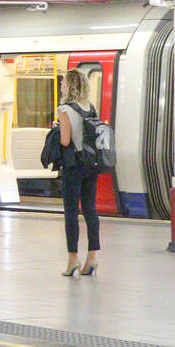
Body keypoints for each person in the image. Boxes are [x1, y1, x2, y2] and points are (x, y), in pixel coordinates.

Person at [56, 70, 100, 276]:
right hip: (91, 165)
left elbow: (65, 140)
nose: (61, 85)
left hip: (73, 167)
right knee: (90, 209)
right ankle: (92, 258)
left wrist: (56, 129)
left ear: (70, 86)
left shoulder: (64, 109)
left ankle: (73, 258)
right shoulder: (90, 108)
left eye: (63, 82)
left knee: (71, 212)